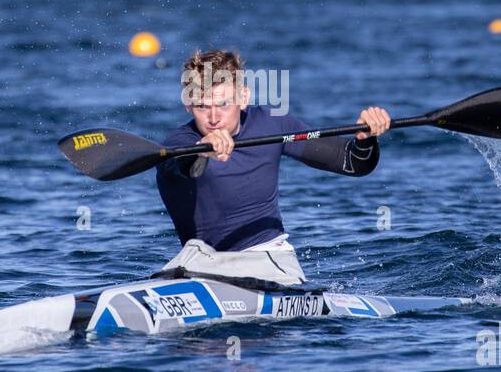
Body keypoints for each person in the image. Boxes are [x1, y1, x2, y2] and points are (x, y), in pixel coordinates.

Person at [155, 48, 390, 286]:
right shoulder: (177, 145)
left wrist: (365, 139)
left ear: (243, 97)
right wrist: (202, 150)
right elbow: (181, 165)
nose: (214, 117)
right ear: (188, 105)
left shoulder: (272, 124)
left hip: (266, 258)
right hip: (200, 262)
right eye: (203, 107)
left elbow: (353, 163)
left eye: (224, 104)